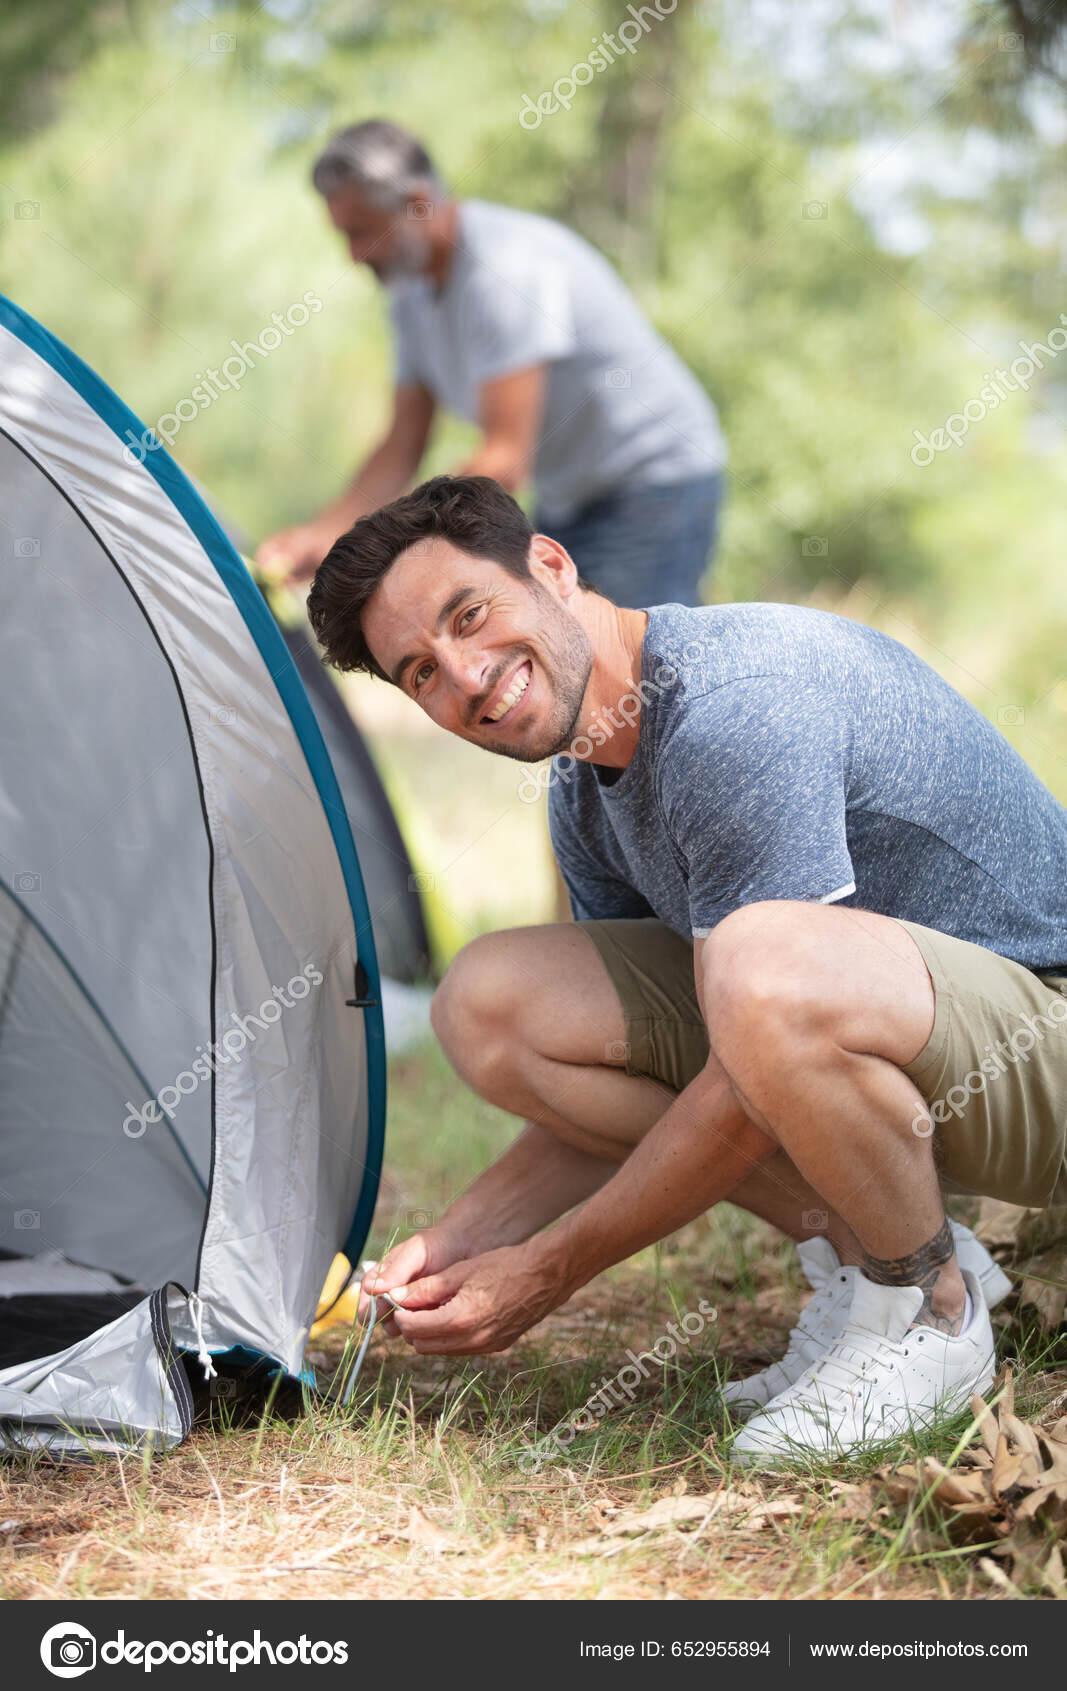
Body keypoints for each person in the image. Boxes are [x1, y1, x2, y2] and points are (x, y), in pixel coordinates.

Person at [306, 475, 1067, 1463]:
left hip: (1038, 1044)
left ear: (549, 565)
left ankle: (926, 1305)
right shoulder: (584, 787)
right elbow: (664, 1073)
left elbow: (750, 1055)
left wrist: (547, 1269)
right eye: (418, 670)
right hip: (916, 1061)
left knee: (757, 966)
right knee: (490, 1003)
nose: (463, 675)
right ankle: (869, 1258)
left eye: (469, 614)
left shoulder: (728, 706)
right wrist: (461, 1241)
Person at [257, 120, 725, 609]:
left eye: (362, 233)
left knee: (626, 662)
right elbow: (403, 443)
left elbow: (505, 460)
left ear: (417, 203)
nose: (353, 256)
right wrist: (325, 534)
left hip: (654, 479)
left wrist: (383, 544)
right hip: (570, 492)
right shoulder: (409, 293)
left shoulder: (505, 268)